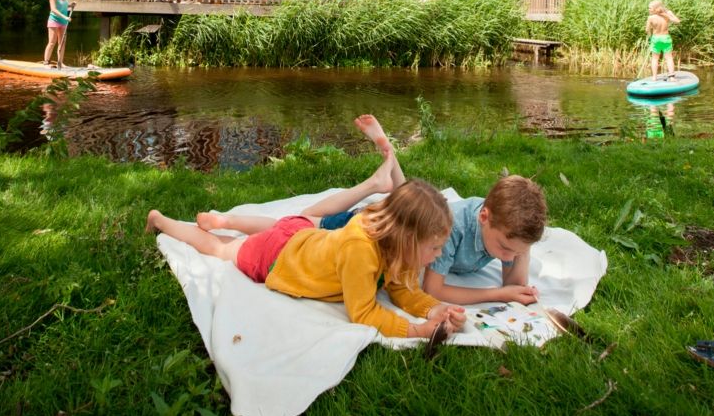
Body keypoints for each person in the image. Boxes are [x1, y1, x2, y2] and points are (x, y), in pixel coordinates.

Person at [197, 112, 546, 308]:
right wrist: (498, 294)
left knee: (296, 224)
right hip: (368, 224)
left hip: (407, 212)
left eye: (516, 252)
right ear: (484, 217)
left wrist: (520, 254)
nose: (508, 257)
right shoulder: (453, 229)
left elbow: (515, 283)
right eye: (506, 249)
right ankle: (227, 220)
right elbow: (434, 290)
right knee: (298, 223)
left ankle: (386, 166)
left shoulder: (507, 233)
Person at [146, 146, 466, 341]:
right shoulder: (361, 250)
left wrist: (435, 309)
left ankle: (225, 220)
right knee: (221, 249)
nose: (438, 255)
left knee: (271, 228)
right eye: (434, 248)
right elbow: (364, 313)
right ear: (407, 238)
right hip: (281, 255)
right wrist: (416, 331)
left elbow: (402, 290)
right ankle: (162, 221)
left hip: (302, 235)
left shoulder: (397, 246)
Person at [43, 0, 74, 68]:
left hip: (63, 21)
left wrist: (71, 5)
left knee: (62, 43)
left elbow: (63, 6)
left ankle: (60, 62)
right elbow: (53, 9)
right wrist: (65, 17)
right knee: (52, 42)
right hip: (54, 20)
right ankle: (46, 62)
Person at [645, 0, 681, 79]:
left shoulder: (651, 18)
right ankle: (672, 77)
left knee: (655, 58)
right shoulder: (667, 14)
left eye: (650, 8)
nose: (649, 9)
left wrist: (650, 36)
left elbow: (647, 30)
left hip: (655, 39)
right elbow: (677, 21)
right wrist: (668, 15)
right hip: (666, 38)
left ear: (655, 9)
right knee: (669, 58)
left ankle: (654, 77)